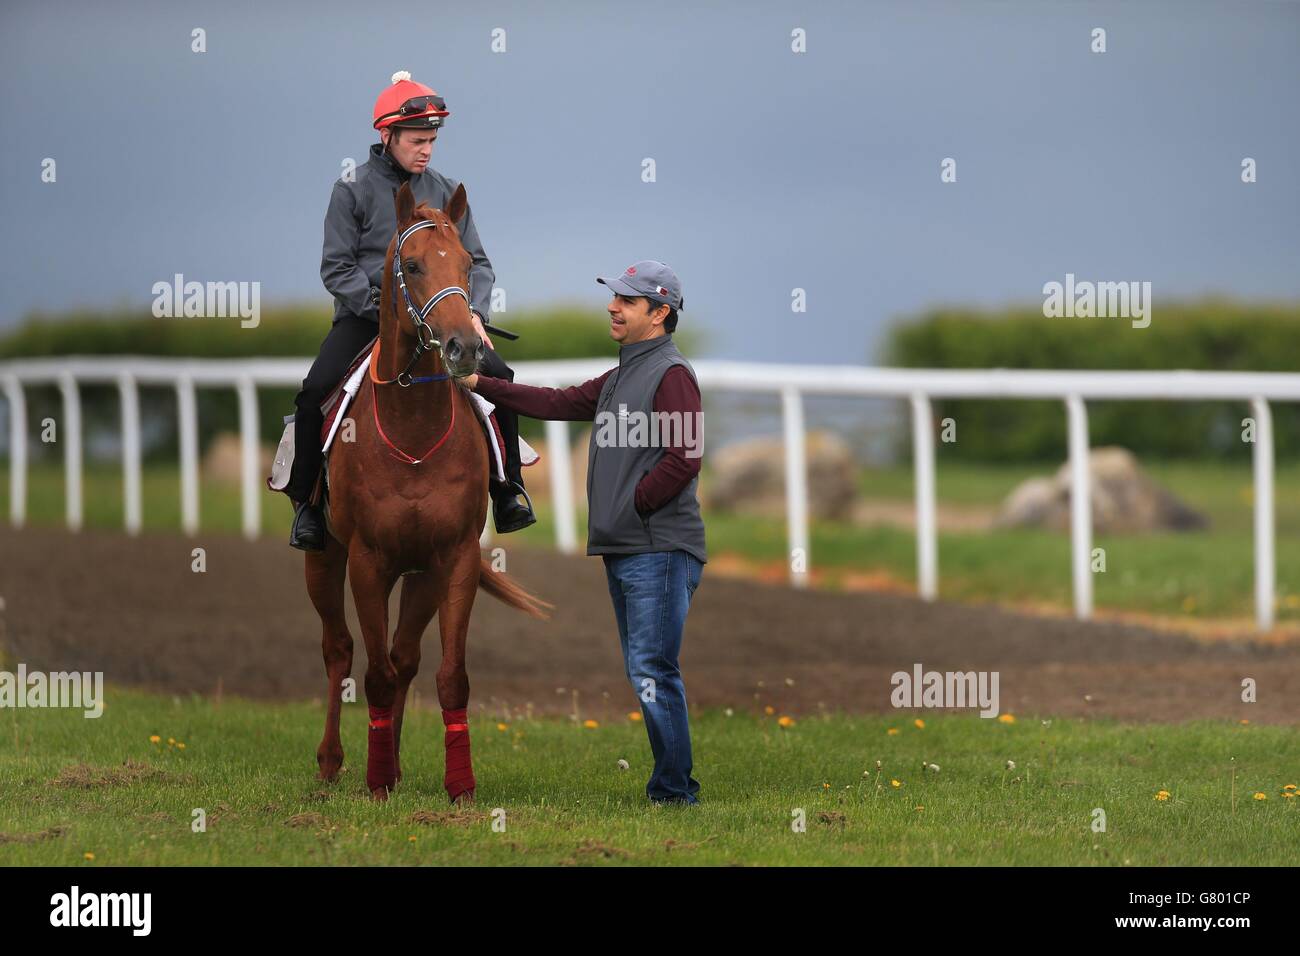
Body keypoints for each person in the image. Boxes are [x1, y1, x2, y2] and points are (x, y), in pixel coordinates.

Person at [464, 261, 707, 805]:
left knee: (652, 669)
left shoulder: (672, 374)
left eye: (626, 300)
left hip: (660, 549)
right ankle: (671, 785)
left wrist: (636, 505)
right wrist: (479, 383)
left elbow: (685, 456)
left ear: (659, 312)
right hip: (630, 548)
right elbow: (556, 402)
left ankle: (674, 791)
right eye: (613, 298)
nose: (612, 307)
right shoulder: (623, 374)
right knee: (645, 669)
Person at [284, 70, 535, 550]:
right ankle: (308, 503)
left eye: (432, 141)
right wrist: (382, 307)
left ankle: (508, 491)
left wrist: (475, 311)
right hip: (366, 319)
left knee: (501, 379)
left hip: (441, 319)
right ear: (387, 135)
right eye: (418, 140)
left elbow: (476, 262)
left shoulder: (447, 190)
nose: (426, 149)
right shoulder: (350, 190)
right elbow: (335, 268)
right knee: (315, 389)